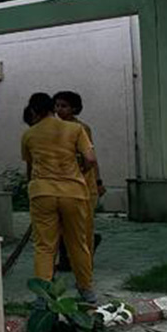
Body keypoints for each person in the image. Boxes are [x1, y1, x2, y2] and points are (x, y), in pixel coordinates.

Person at [21, 92, 98, 303]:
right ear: (53, 109)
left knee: (45, 246)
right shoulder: (75, 129)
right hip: (73, 192)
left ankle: (43, 295)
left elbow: (30, 166)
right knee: (78, 243)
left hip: (42, 192)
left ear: (35, 111)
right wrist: (79, 172)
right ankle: (86, 290)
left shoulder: (29, 134)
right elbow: (90, 158)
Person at [53, 91, 104, 270]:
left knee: (81, 226)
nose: (60, 109)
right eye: (57, 105)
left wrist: (97, 180)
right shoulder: (53, 128)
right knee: (60, 225)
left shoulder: (81, 128)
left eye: (64, 106)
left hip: (81, 182)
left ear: (74, 108)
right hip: (60, 182)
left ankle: (84, 262)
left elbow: (90, 156)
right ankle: (66, 260)